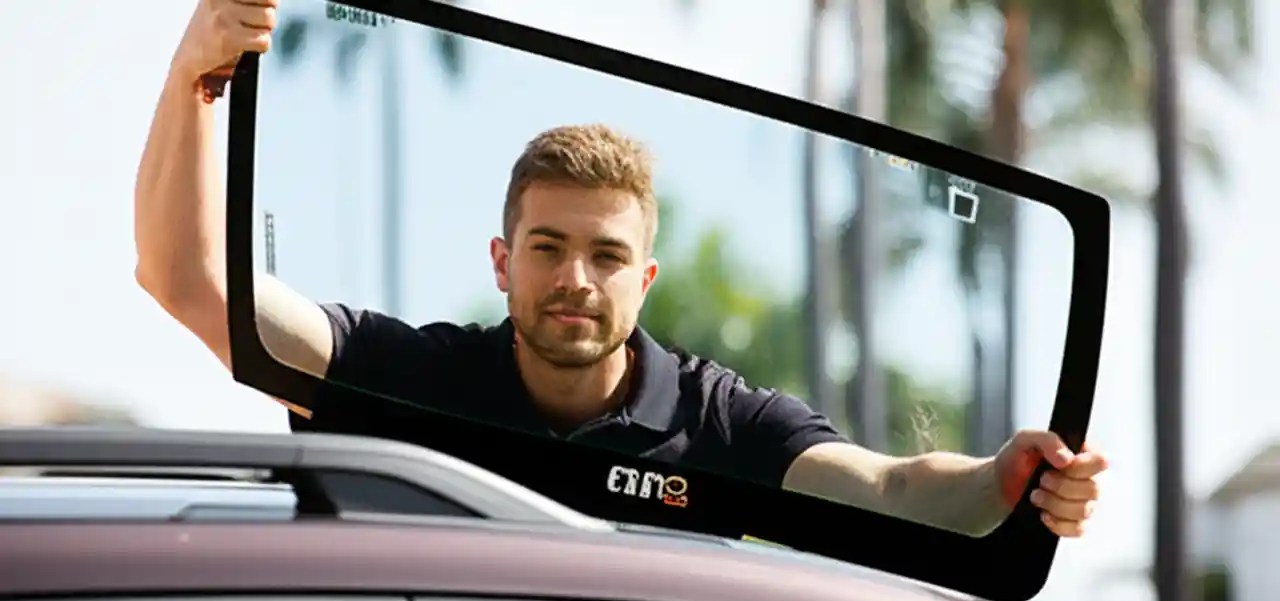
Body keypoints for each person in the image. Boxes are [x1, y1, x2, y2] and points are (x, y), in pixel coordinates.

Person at [135, 0, 1107, 539]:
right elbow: (189, 281)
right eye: (549, 249)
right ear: (501, 263)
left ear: (643, 282)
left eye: (605, 257)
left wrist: (1004, 477)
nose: (576, 280)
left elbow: (889, 488)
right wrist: (193, 73)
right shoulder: (411, 377)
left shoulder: (716, 419)